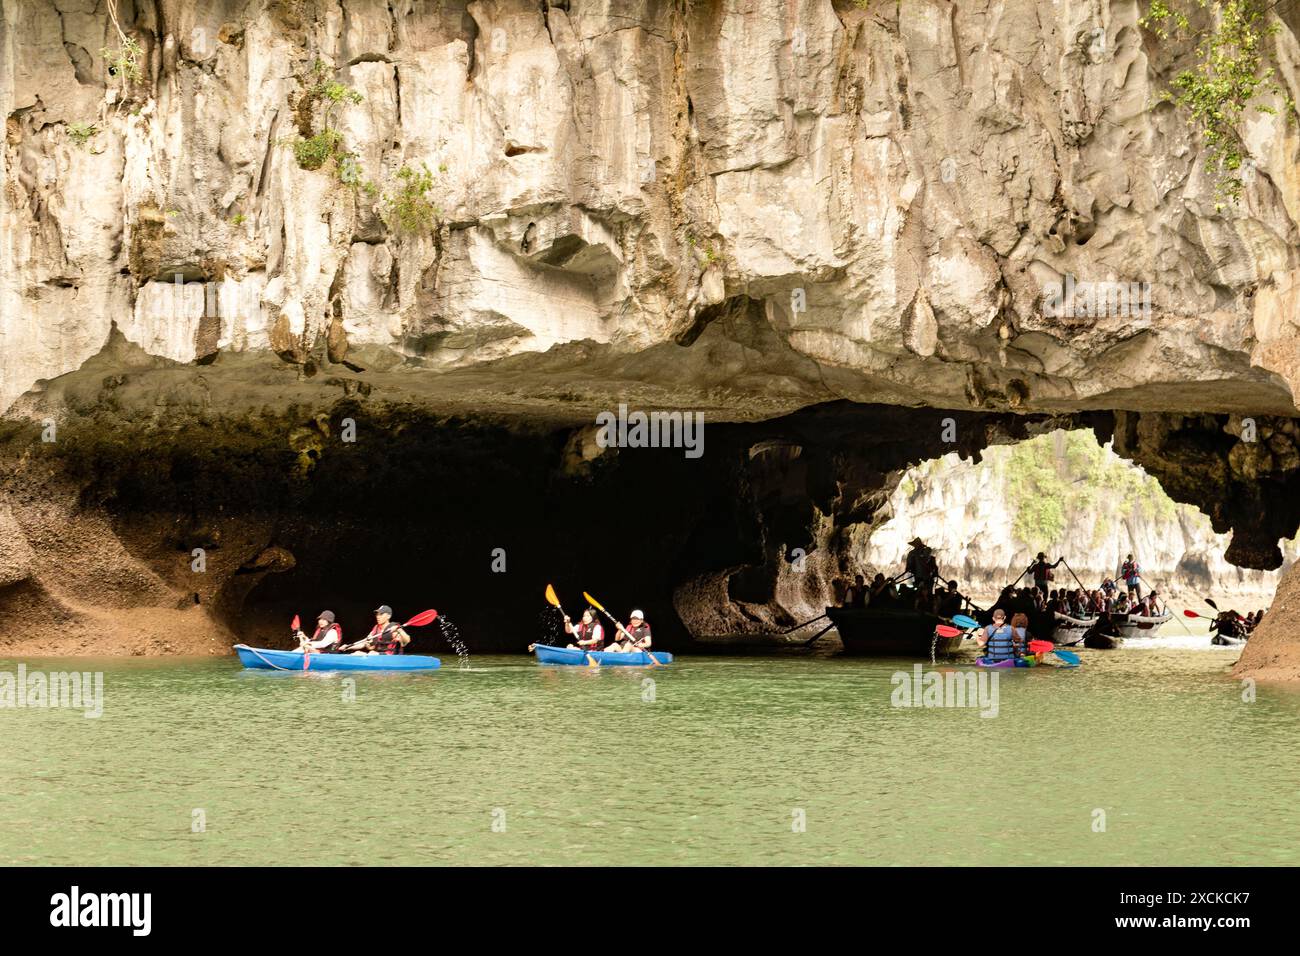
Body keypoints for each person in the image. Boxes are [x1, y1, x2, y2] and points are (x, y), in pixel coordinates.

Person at [344, 605, 411, 655]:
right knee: (356, 653)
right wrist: (348, 647)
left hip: (391, 658)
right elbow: (364, 643)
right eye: (377, 614)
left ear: (388, 616)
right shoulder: (376, 628)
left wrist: (400, 630)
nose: (378, 617)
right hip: (378, 656)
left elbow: (407, 641)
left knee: (372, 653)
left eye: (381, 614)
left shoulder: (395, 627)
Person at [904, 538, 938, 602]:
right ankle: (917, 603)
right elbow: (908, 565)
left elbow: (932, 565)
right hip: (917, 576)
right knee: (919, 590)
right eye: (916, 545)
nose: (917, 546)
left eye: (918, 545)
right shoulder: (912, 553)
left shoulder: (926, 553)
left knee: (927, 591)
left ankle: (927, 603)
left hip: (928, 577)